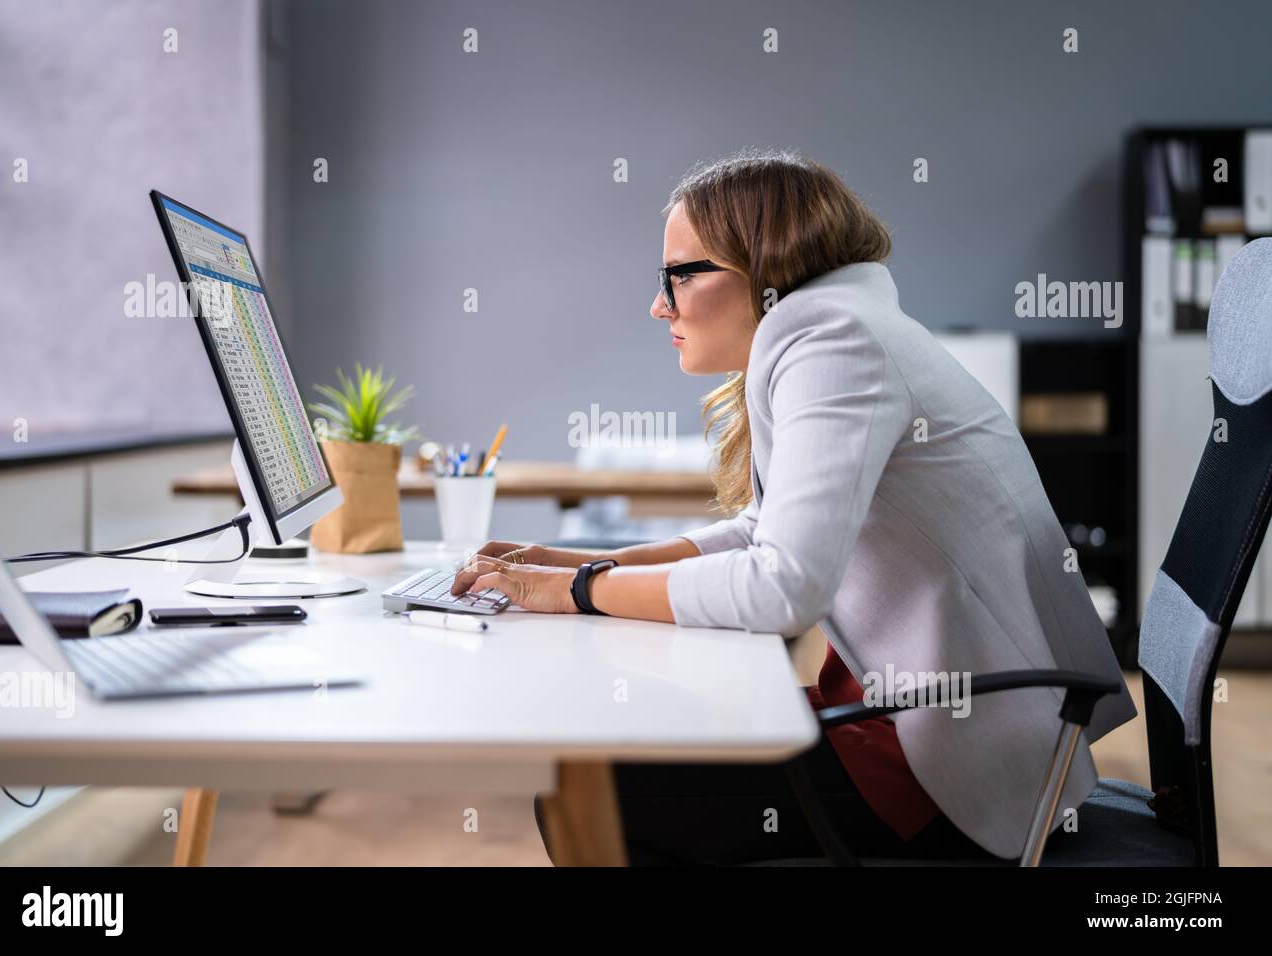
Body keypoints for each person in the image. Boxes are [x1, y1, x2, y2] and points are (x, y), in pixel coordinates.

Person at [450, 147, 1136, 865]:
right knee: (610, 755)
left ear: (763, 264)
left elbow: (783, 585)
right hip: (917, 716)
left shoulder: (832, 340)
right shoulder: (835, 324)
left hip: (942, 762)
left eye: (678, 275)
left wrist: (581, 592)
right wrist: (589, 565)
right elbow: (762, 531)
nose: (660, 304)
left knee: (599, 792)